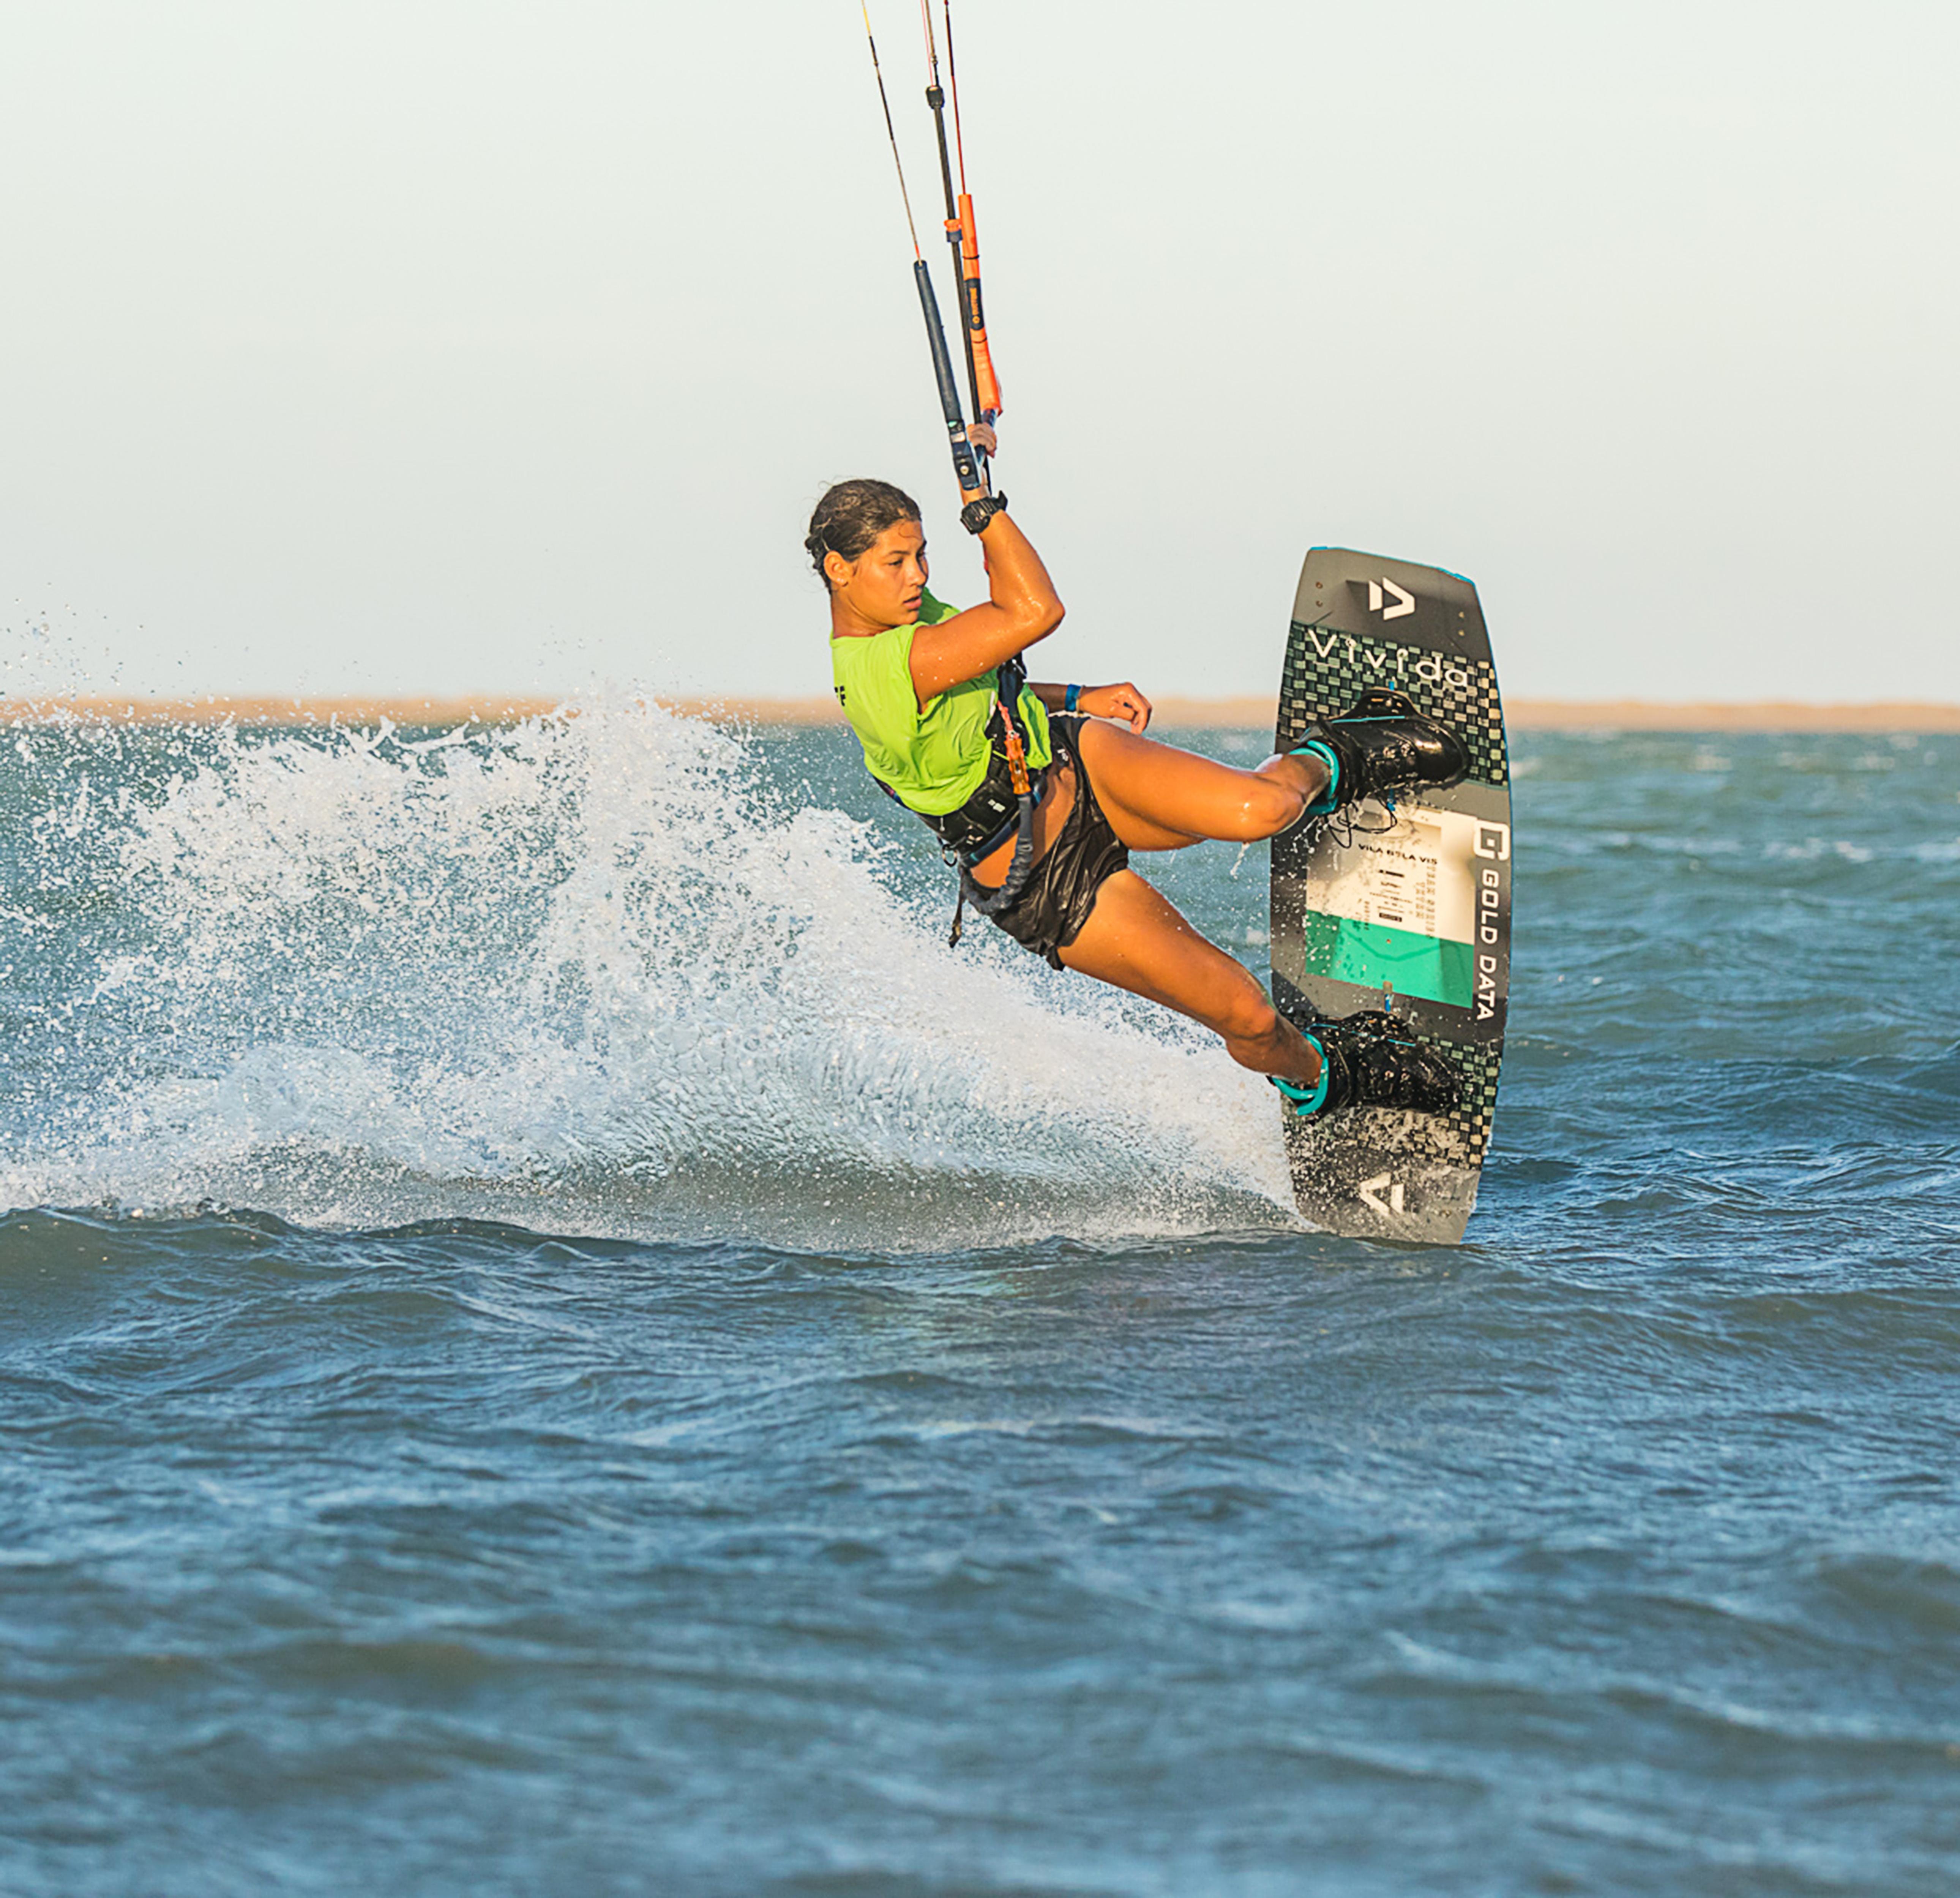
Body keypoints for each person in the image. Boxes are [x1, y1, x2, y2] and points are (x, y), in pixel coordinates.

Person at [811, 465, 1466, 1119]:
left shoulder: (904, 625)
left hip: (1078, 764)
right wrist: (983, 508)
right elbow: (1035, 612)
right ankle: (1331, 1072)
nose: (919, 576)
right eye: (895, 562)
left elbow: (972, 687)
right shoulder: (878, 670)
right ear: (840, 570)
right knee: (1249, 1018)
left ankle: (1341, 753)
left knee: (1259, 810)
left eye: (921, 555)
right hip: (1046, 884)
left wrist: (1076, 698)